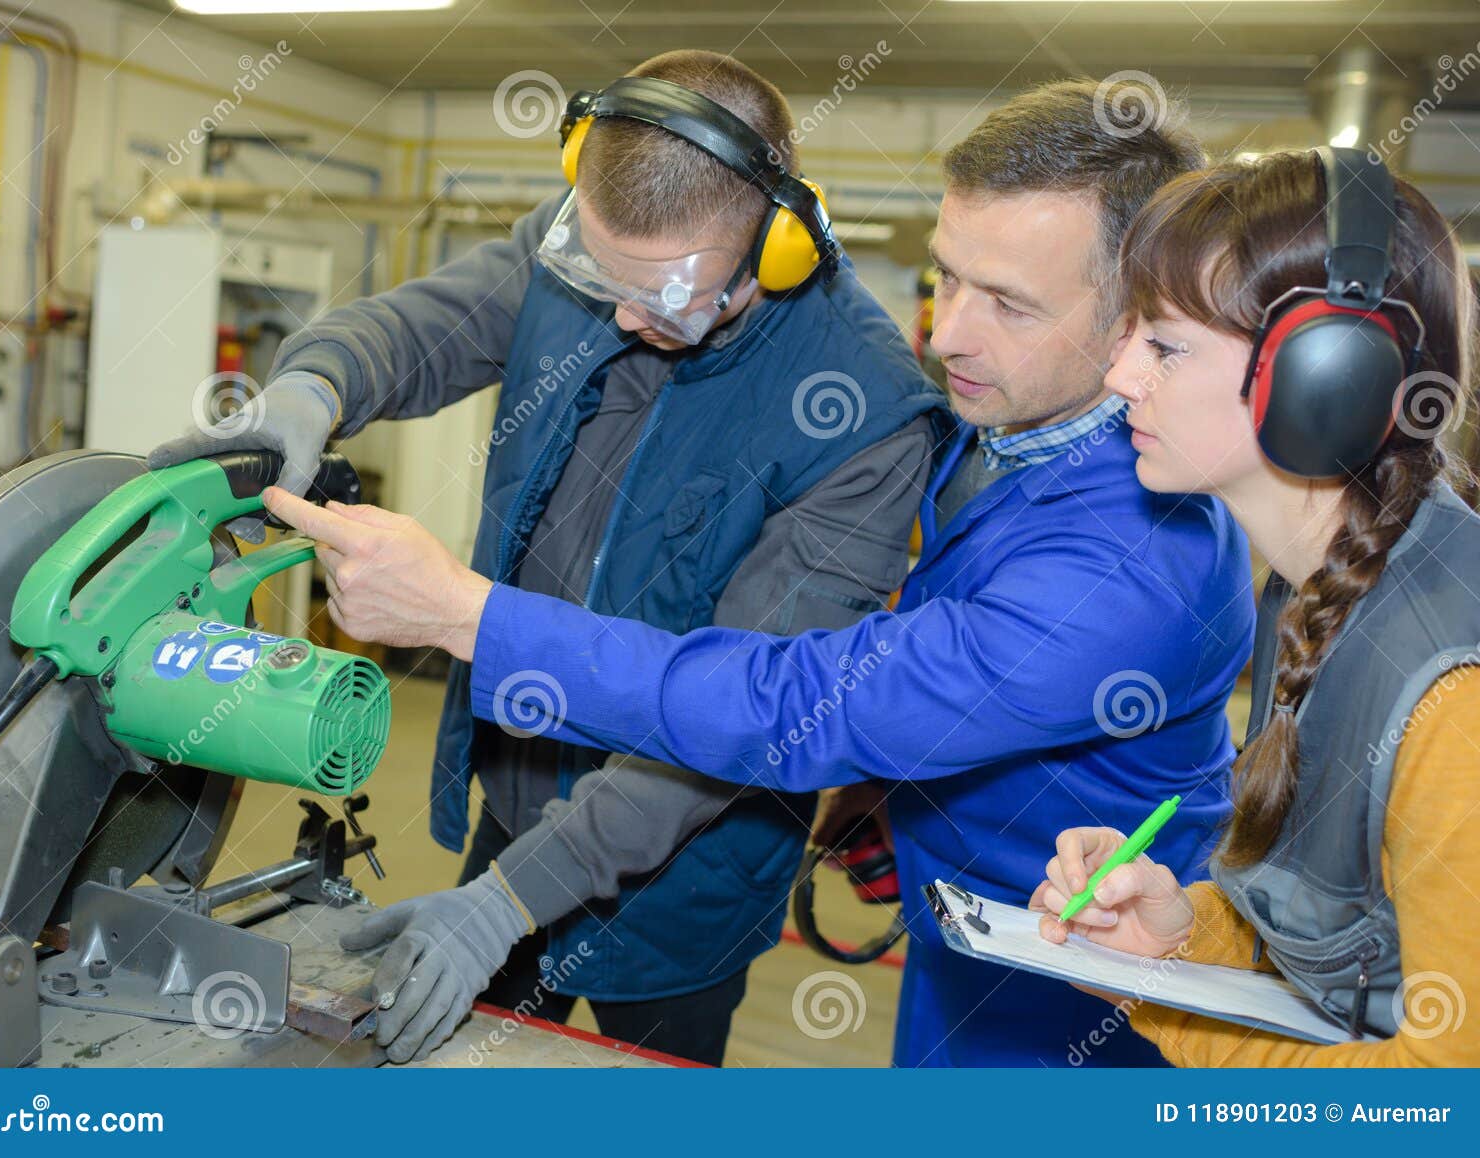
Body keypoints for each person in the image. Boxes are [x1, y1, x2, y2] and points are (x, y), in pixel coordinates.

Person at [260, 79, 1258, 1068]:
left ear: (1139, 306)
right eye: (945, 278)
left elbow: (789, 701)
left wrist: (470, 616)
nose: (946, 332)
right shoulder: (1006, 421)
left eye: (1007, 302)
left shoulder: (1127, 566)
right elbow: (934, 649)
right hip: (970, 933)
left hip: (1090, 984)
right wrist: (309, 387)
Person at [152, 50, 946, 1066]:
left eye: (666, 294)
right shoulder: (576, 248)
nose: (621, 315)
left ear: (776, 246)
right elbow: (422, 329)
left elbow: (740, 713)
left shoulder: (865, 417)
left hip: (687, 879)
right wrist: (310, 390)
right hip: (520, 784)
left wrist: (504, 906)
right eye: (598, 277)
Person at [1032, 148, 1480, 1065]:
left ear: (1329, 375)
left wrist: (1181, 1021)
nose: (1119, 377)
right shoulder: (1321, 586)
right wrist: (1174, 938)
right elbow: (1355, 951)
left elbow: (1446, 1097)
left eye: (1162, 343)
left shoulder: (1454, 694)